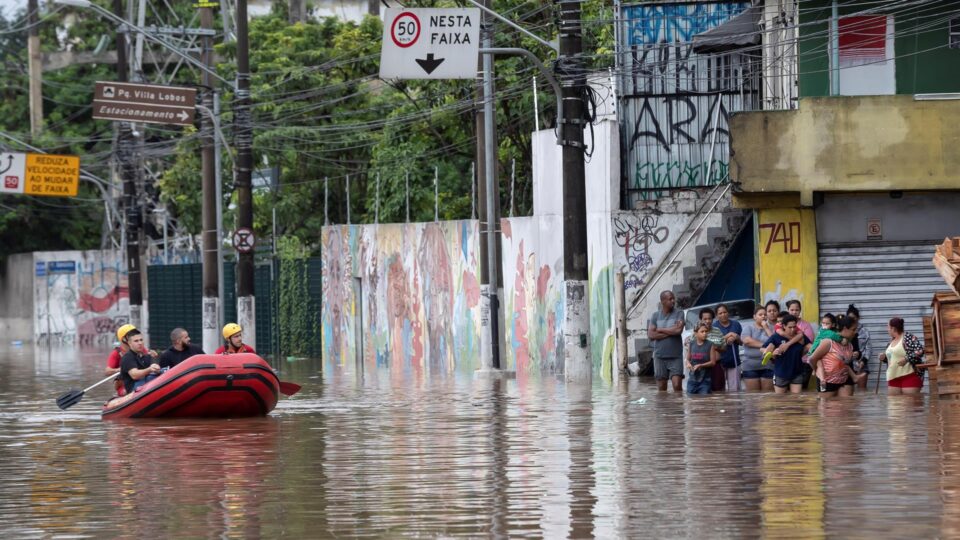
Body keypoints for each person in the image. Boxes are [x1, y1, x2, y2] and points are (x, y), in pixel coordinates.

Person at [808, 315, 867, 397]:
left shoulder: (849, 343)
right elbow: (812, 359)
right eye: (853, 329)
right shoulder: (828, 342)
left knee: (847, 406)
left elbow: (846, 362)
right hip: (827, 381)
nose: (856, 332)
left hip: (845, 379)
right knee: (826, 407)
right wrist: (816, 370)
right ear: (845, 328)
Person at [762, 314, 810, 394]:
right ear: (784, 326)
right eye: (790, 327)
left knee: (797, 400)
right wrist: (772, 353)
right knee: (780, 402)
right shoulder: (776, 337)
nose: (792, 329)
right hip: (781, 374)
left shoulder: (801, 337)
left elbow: (810, 347)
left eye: (794, 327)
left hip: (797, 373)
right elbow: (763, 348)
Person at [647, 291, 685, 392]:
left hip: (676, 356)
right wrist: (670, 331)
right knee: (662, 389)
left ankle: (678, 408)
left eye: (673, 298)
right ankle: (665, 408)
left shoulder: (679, 313)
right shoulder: (655, 316)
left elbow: (678, 331)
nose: (673, 301)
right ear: (663, 301)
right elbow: (651, 335)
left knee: (677, 386)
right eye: (670, 299)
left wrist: (660, 329)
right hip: (659, 357)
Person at [880, 317, 926, 395]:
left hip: (909, 376)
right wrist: (884, 358)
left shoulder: (908, 337)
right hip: (893, 377)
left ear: (893, 329)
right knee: (894, 406)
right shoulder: (891, 342)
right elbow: (892, 359)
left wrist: (907, 358)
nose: (887, 329)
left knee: (909, 406)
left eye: (888, 327)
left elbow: (920, 350)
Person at [741, 306, 774, 392]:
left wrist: (766, 328)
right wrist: (765, 345)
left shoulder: (771, 328)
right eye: (760, 315)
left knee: (768, 397)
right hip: (750, 366)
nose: (763, 316)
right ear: (754, 317)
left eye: (765, 315)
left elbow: (774, 341)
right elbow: (747, 341)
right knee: (753, 397)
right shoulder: (748, 328)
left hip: (768, 366)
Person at [119, 328, 162, 394]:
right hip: (134, 390)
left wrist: (156, 364)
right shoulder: (127, 357)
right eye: (136, 341)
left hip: (145, 383)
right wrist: (150, 369)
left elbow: (154, 369)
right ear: (130, 343)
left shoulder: (145, 356)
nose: (140, 343)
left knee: (163, 371)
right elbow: (134, 375)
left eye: (141, 340)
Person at [714, 304, 742, 392]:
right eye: (720, 313)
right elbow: (714, 343)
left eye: (725, 312)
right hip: (719, 363)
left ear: (728, 313)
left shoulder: (736, 324)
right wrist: (728, 336)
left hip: (734, 361)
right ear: (716, 315)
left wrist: (736, 337)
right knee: (720, 391)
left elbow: (741, 343)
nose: (723, 315)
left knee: (735, 391)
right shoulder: (714, 327)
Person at [685, 322, 719, 395]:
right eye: (702, 332)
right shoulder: (691, 343)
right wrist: (688, 364)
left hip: (705, 381)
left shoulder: (710, 344)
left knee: (704, 401)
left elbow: (713, 362)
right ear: (696, 333)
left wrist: (701, 365)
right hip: (692, 380)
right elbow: (687, 359)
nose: (704, 333)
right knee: (691, 401)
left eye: (706, 331)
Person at [846, 304, 872, 390]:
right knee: (848, 392)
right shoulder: (844, 330)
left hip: (861, 364)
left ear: (858, 318)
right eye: (849, 318)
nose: (852, 320)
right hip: (848, 365)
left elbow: (868, 349)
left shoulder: (864, 331)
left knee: (862, 393)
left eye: (854, 318)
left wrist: (863, 361)